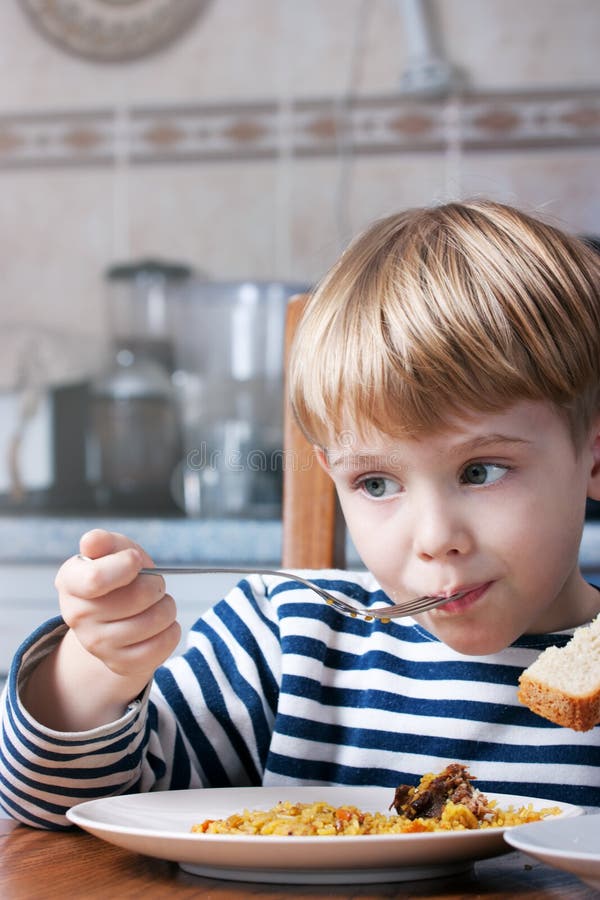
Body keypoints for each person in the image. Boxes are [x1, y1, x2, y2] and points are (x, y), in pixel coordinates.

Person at [1, 199, 599, 830]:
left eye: (480, 471)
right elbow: (54, 807)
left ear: (591, 457)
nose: (434, 539)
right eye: (375, 482)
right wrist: (97, 669)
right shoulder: (287, 640)